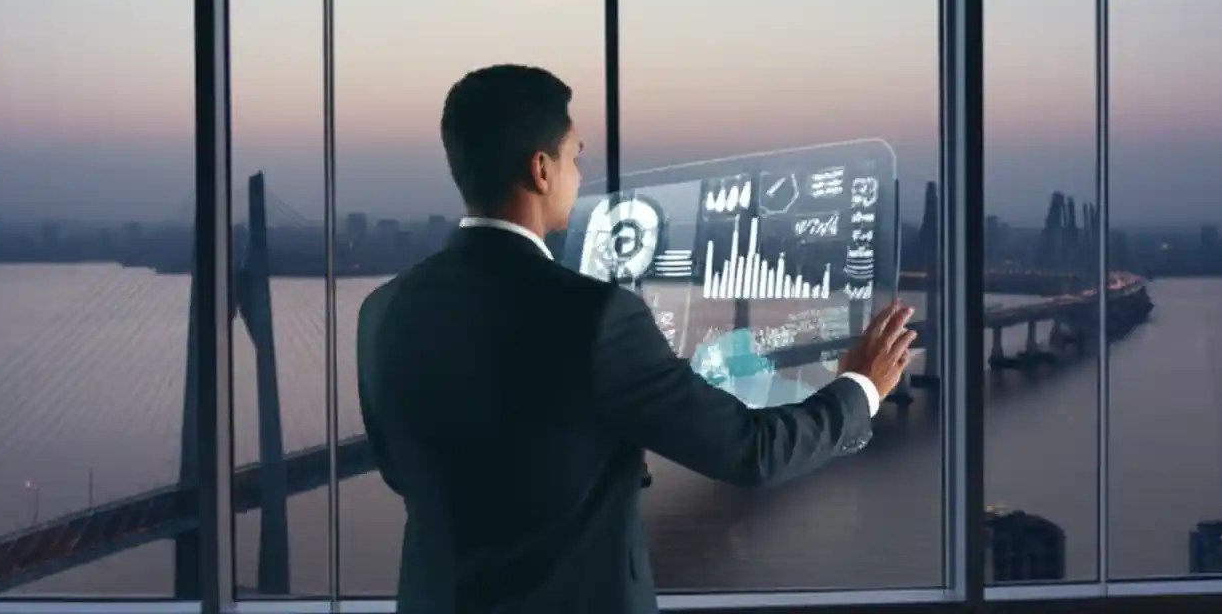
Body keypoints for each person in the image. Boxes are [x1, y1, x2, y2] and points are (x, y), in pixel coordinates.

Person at [356, 64, 917, 614]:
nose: (580, 176)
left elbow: (403, 472)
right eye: (575, 156)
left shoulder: (382, 311)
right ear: (541, 170)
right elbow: (751, 452)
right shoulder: (595, 316)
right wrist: (860, 389)